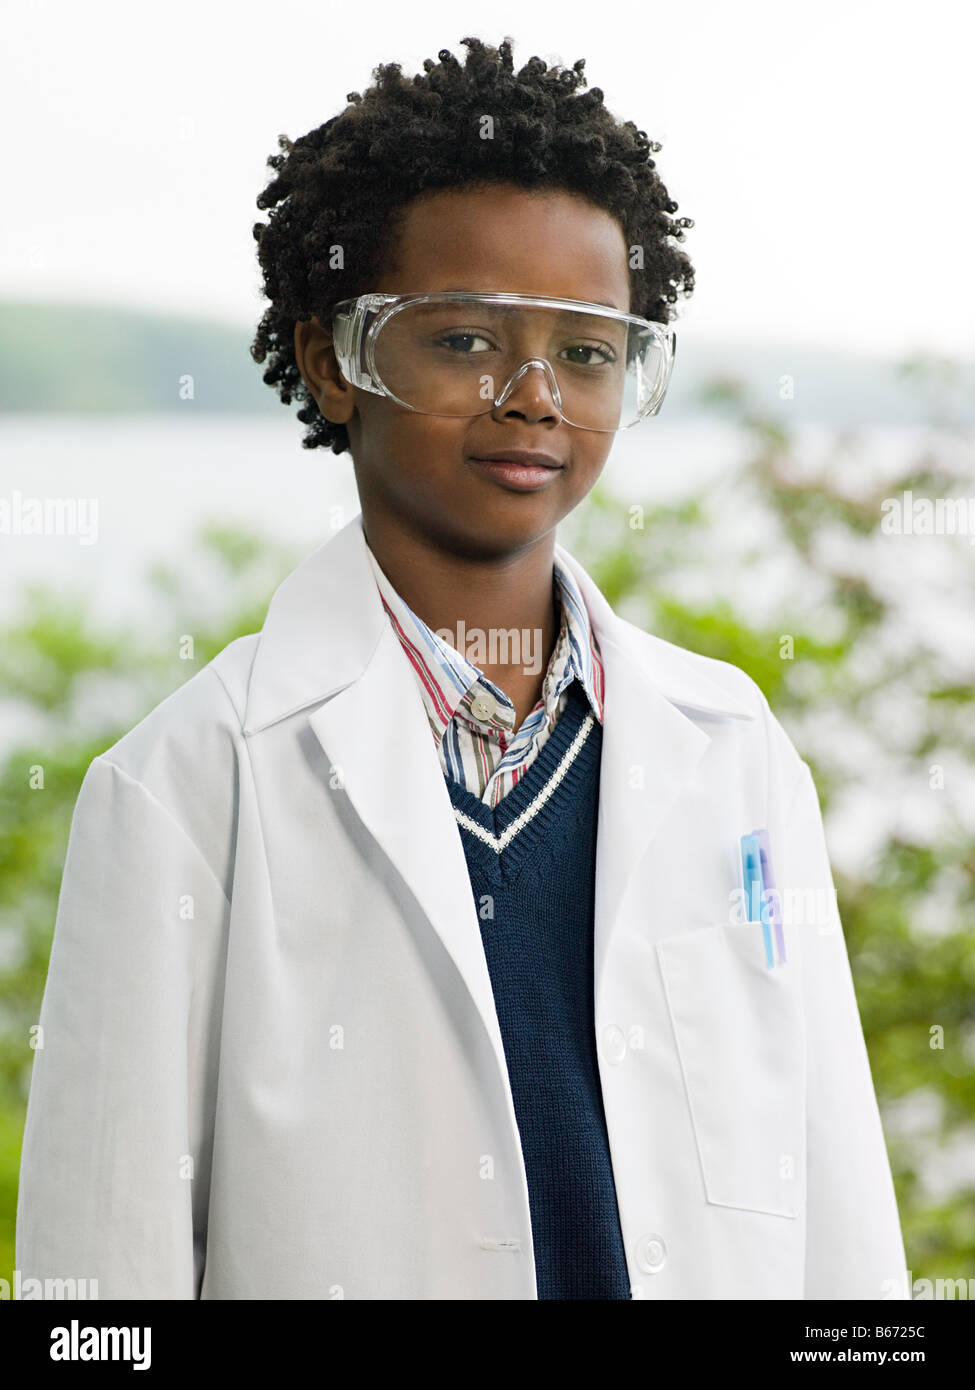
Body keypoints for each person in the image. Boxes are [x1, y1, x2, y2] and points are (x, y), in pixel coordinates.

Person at [16, 35, 907, 1300]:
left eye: (588, 351)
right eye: (467, 343)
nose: (534, 396)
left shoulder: (736, 750)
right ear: (335, 358)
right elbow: (101, 1293)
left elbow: (843, 1240)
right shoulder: (185, 787)